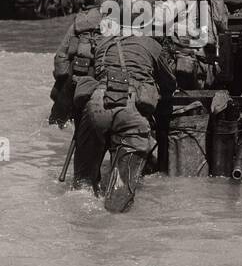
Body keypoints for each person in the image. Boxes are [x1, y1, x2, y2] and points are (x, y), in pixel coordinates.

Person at [73, 13, 177, 212]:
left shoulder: (103, 42)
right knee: (121, 193)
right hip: (132, 111)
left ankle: (82, 219)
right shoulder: (151, 45)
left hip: (98, 104)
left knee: (82, 184)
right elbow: (169, 82)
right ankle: (115, 218)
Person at [49, 0, 117, 128]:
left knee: (57, 123)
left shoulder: (80, 23)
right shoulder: (118, 28)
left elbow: (61, 55)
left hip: (73, 79)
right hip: (98, 83)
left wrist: (61, 81)